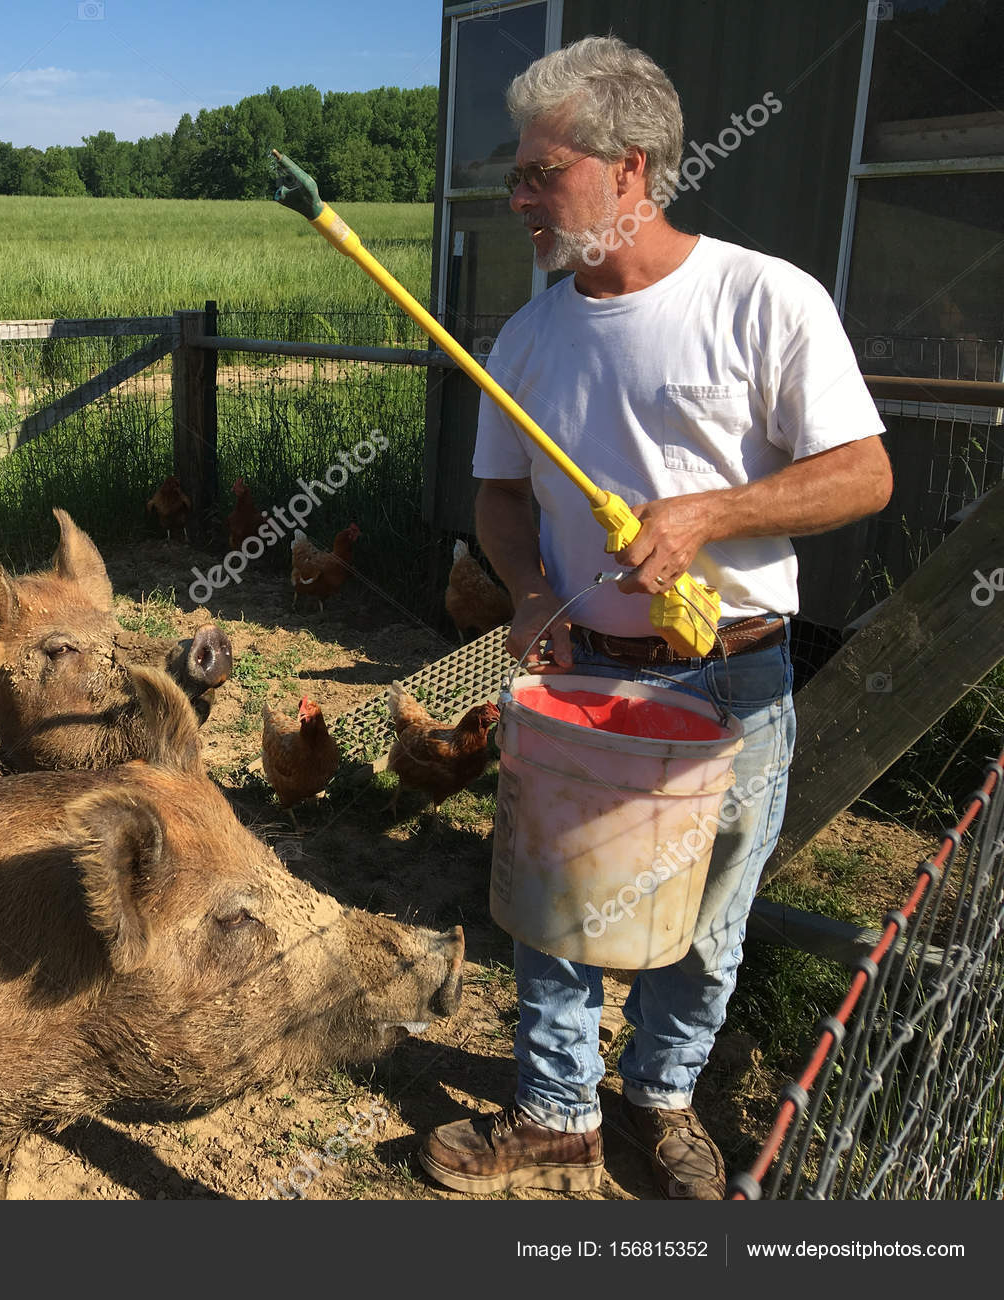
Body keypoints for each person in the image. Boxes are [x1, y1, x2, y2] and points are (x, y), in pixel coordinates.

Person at [417, 35, 893, 1200]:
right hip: (581, 673)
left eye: (542, 172)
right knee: (554, 897)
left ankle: (661, 1100)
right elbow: (497, 496)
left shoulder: (761, 297)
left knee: (709, 914)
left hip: (730, 677)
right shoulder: (527, 337)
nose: (517, 196)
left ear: (631, 168)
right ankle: (553, 1110)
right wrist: (529, 590)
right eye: (517, 174)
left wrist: (708, 515)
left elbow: (863, 473)